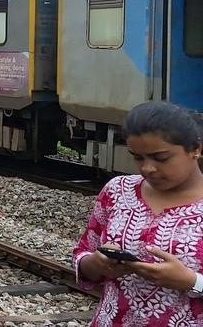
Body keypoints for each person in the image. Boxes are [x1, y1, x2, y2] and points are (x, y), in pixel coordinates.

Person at [72, 102, 203, 324]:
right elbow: (83, 253)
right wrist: (96, 264)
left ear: (195, 149)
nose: (147, 168)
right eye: (138, 157)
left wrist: (192, 281)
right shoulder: (117, 191)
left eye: (161, 158)